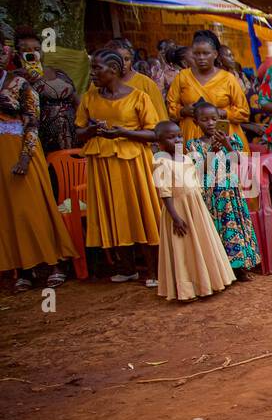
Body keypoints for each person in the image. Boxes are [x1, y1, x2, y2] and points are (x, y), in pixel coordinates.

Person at [75, 49, 161, 285]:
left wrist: (124, 132)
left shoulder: (138, 97)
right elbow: (79, 131)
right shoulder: (89, 98)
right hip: (103, 163)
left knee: (140, 211)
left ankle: (152, 270)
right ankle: (127, 267)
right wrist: (93, 130)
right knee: (115, 212)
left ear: (113, 71)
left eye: (97, 69)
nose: (92, 74)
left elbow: (154, 132)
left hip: (133, 163)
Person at [0, 55, 75, 289]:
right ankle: (24, 269)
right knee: (7, 214)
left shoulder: (20, 84)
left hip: (21, 151)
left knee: (33, 210)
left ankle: (55, 263)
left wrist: (25, 156)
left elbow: (32, 122)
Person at [151, 120, 236, 302]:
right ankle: (187, 290)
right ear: (159, 142)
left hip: (195, 206)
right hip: (178, 210)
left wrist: (213, 151)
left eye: (180, 136)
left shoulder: (187, 157)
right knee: (184, 250)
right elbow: (164, 192)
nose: (178, 140)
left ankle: (209, 283)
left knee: (201, 244)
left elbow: (199, 172)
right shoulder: (161, 160)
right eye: (171, 137)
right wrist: (175, 217)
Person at [185, 100, 260, 280]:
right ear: (196, 122)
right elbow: (199, 171)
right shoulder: (192, 145)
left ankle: (240, 268)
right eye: (204, 119)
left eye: (213, 119)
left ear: (220, 120)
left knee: (234, 228)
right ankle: (219, 271)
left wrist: (225, 145)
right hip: (211, 195)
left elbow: (238, 161)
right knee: (215, 230)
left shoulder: (233, 140)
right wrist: (212, 151)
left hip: (231, 193)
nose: (210, 123)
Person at [166, 29, 250, 143]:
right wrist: (182, 111)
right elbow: (170, 106)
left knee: (221, 160)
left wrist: (223, 113)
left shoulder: (228, 78)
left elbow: (244, 112)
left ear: (215, 54)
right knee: (195, 160)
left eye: (206, 53)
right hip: (191, 134)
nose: (201, 58)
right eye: (197, 54)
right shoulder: (182, 76)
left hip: (222, 134)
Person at [13, 26, 79, 154]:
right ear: (18, 54)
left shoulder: (59, 73)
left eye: (37, 49)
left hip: (72, 132)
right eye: (26, 50)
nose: (32, 53)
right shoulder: (15, 79)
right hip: (43, 137)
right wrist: (25, 81)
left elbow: (77, 101)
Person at [108, 37, 167, 119]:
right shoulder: (100, 84)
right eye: (118, 59)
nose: (123, 64)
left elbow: (161, 117)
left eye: (126, 59)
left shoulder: (146, 83)